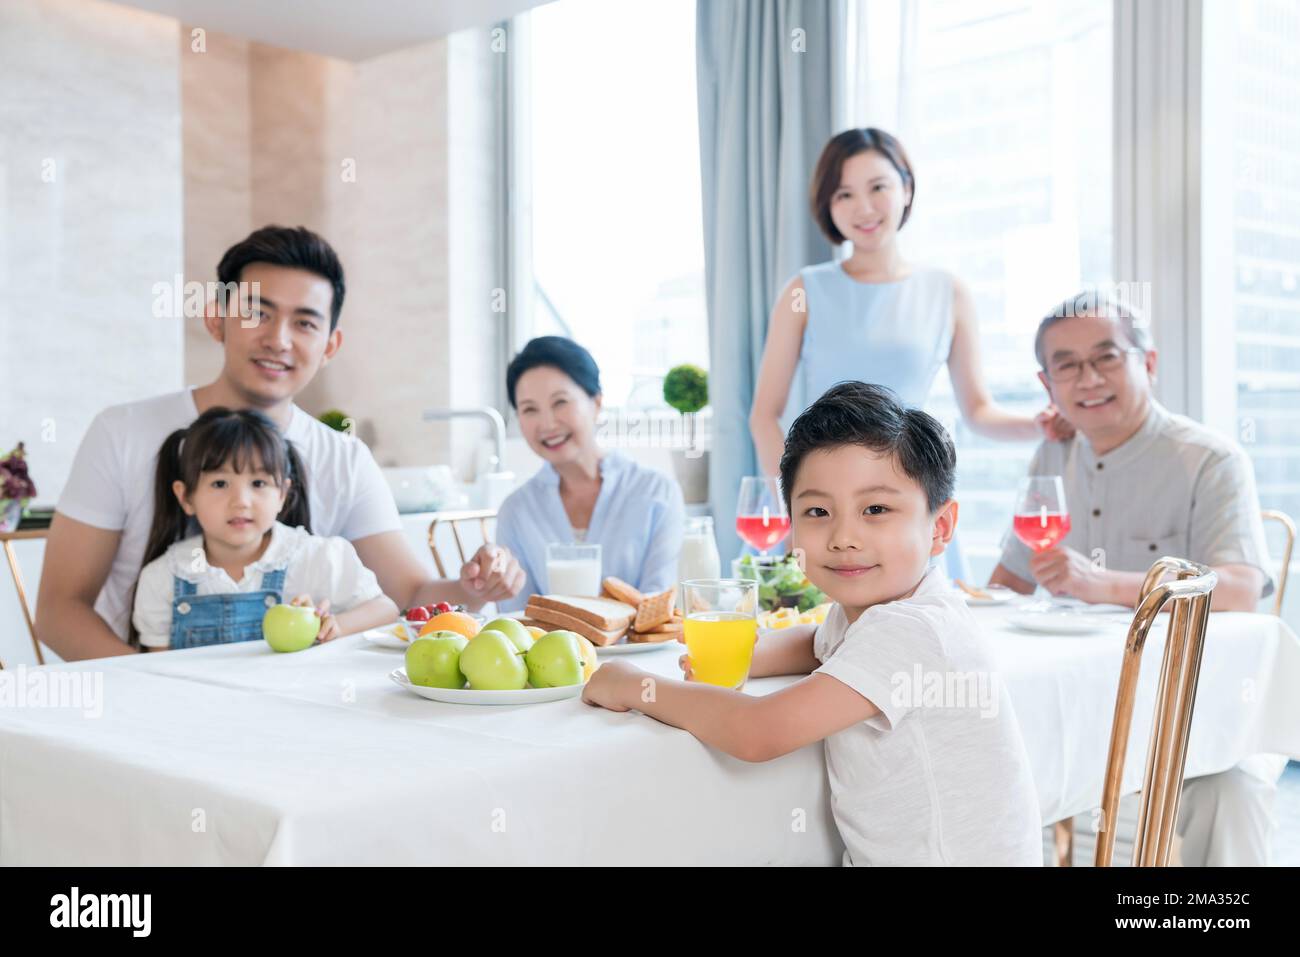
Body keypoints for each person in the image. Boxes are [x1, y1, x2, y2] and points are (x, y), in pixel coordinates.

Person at [584, 381, 1043, 866]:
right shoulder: (871, 614)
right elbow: (816, 643)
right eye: (818, 511)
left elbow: (760, 732)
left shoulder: (914, 629)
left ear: (941, 527)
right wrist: (744, 656)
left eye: (876, 510)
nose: (844, 536)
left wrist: (636, 687)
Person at [37, 225, 523, 660]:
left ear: (330, 346)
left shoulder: (344, 457)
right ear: (216, 319)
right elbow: (59, 611)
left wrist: (474, 587)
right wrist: (160, 695)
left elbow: (408, 593)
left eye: (305, 323)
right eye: (256, 313)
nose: (279, 339)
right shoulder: (122, 433)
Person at [988, 291, 1281, 866]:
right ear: (1048, 386)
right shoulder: (1052, 457)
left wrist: (1105, 583)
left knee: (1232, 791)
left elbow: (1244, 588)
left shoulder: (1211, 459)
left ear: (1146, 364)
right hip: (1083, 706)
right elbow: (1005, 587)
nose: (1089, 378)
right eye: (1066, 365)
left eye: (1107, 357)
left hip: (1198, 706)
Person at [749, 128, 1071, 579]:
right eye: (844, 194)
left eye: (878, 187)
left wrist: (1040, 425)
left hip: (912, 491)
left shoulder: (946, 291)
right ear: (828, 205)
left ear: (906, 187)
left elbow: (978, 410)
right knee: (824, 638)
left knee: (920, 635)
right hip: (830, 500)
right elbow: (764, 415)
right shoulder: (805, 290)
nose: (864, 208)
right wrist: (794, 506)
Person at [130, 407, 398, 649]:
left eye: (258, 483)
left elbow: (385, 609)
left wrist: (335, 625)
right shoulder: (163, 577)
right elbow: (160, 671)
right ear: (186, 496)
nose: (241, 502)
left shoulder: (317, 558)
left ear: (282, 494)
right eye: (220, 484)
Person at [494, 337, 684, 612]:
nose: (547, 423)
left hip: (640, 655)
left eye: (560, 402)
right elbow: (517, 619)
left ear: (596, 403)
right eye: (529, 409)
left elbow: (659, 609)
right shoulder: (516, 510)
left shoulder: (657, 493)